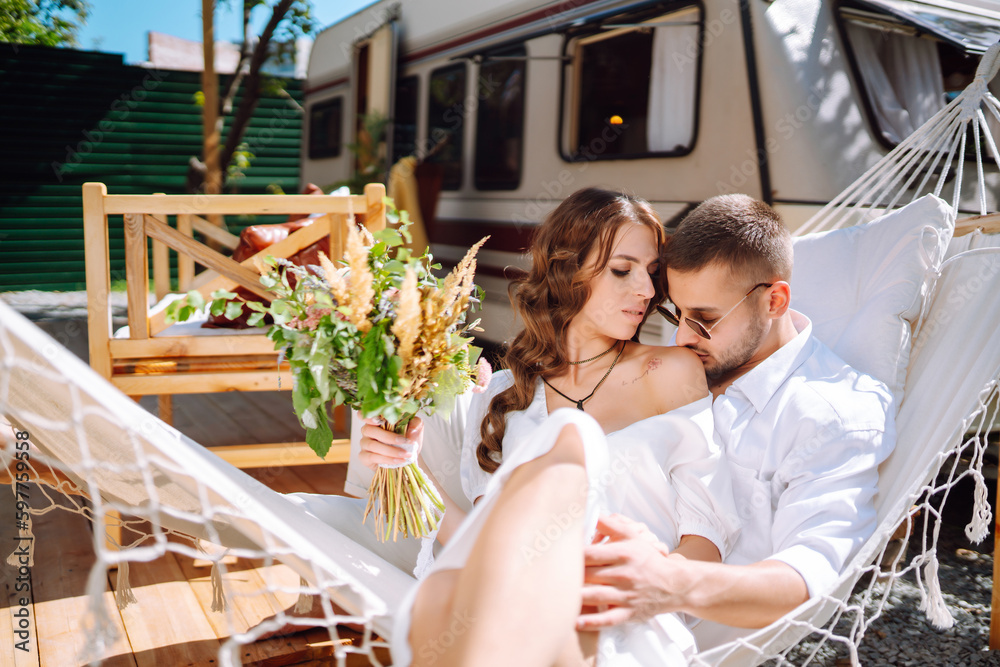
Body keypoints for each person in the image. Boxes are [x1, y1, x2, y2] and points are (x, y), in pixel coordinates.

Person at [359, 187, 739, 666]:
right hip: (512, 600)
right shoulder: (504, 393)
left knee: (572, 446)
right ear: (567, 269)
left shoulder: (671, 373)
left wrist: (642, 580)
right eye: (623, 270)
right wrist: (406, 466)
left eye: (652, 273)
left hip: (619, 612)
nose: (645, 290)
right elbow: (478, 541)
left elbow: (706, 541)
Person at [576, 194, 896, 649]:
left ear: (775, 301)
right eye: (677, 314)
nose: (683, 337)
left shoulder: (832, 415)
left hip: (657, 633)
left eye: (705, 320)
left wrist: (666, 581)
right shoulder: (698, 358)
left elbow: (809, 575)